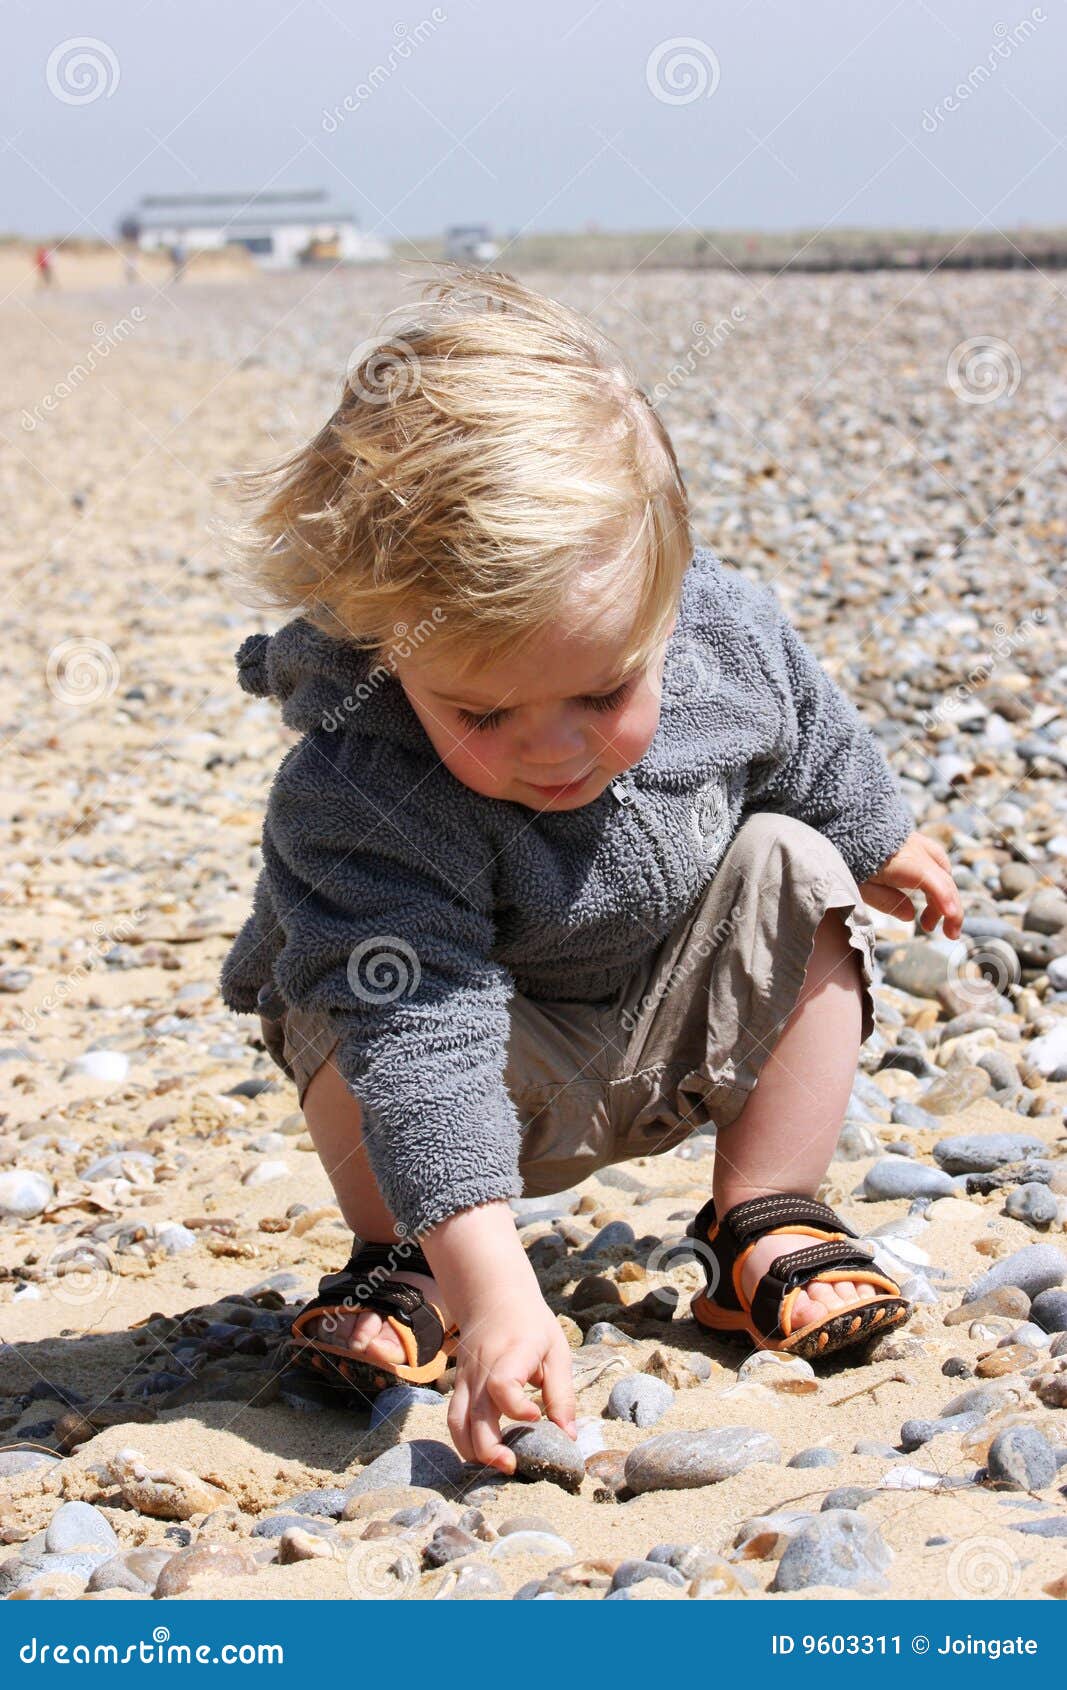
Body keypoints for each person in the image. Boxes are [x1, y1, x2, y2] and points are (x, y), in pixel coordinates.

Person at [217, 265, 962, 1478]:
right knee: (347, 990)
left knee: (794, 856)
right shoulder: (362, 784)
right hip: (469, 1069)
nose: (551, 746)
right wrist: (500, 1300)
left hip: (670, 1022)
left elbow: (804, 727)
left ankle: (763, 1214)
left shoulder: (717, 627)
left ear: (666, 600)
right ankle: (418, 1258)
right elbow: (424, 1032)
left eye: (603, 693)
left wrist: (876, 830)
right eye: (481, 710)